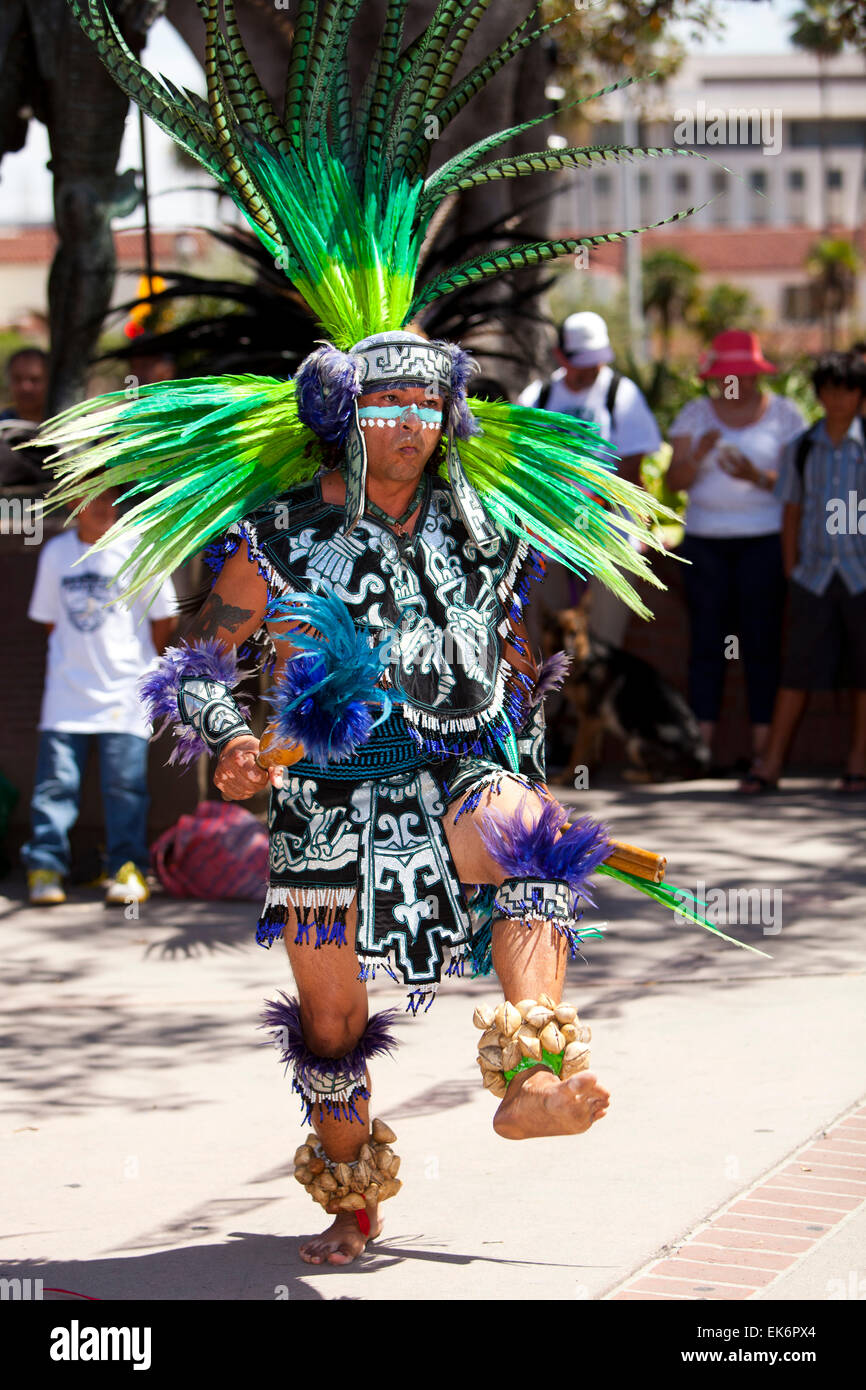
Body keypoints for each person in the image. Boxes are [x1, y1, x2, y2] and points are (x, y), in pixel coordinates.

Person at [40, 1, 745, 1269]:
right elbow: (197, 662)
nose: (408, 431)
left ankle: (531, 1074)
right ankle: (352, 1198)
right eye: (384, 413)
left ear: (449, 420)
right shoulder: (278, 537)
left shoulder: (483, 522)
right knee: (328, 1016)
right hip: (328, 799)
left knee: (532, 838)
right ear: (340, 419)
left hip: (461, 759)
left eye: (425, 411)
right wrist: (233, 747)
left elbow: (541, 617)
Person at [22, 483, 178, 905]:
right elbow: (51, 622)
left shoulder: (140, 547)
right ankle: (45, 869)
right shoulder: (55, 553)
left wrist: (137, 666)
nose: (106, 506)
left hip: (125, 695)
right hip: (65, 693)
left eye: (112, 496)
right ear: (74, 502)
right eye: (95, 497)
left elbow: (163, 620)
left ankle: (126, 869)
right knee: (55, 786)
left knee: (125, 787)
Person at [667, 330, 806, 767]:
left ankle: (765, 749)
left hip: (763, 543)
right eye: (728, 374)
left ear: (757, 374)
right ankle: (701, 749)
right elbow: (673, 482)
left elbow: (801, 486)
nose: (737, 382)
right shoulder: (694, 415)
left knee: (761, 644)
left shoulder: (785, 415)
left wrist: (757, 476)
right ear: (715, 377)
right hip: (706, 543)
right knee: (708, 642)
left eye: (744, 374)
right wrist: (698, 454)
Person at [739, 351, 866, 793]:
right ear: (819, 394)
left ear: (859, 393)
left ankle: (857, 762)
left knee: (862, 673)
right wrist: (792, 568)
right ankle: (770, 763)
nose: (837, 399)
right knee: (795, 672)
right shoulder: (803, 446)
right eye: (828, 390)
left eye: (846, 389)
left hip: (861, 575)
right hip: (813, 576)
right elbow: (792, 510)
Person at [519, 312, 662, 647]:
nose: (590, 370)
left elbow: (629, 473)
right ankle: (549, 702)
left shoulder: (621, 395)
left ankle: (595, 699)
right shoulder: (536, 398)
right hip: (547, 541)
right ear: (560, 356)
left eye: (596, 361)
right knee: (544, 644)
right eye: (582, 362)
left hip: (610, 537)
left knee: (601, 644)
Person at [1, 347, 48, 423]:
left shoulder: (66, 427)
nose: (25, 387)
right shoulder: (3, 424)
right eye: (17, 379)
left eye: (34, 379)